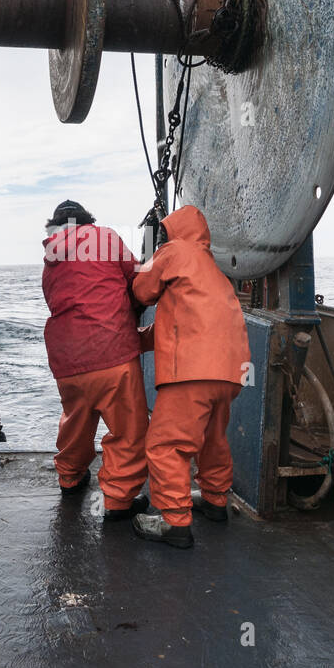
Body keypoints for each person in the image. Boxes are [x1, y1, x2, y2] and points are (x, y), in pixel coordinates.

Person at [130, 205, 250, 548]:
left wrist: (149, 257)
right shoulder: (212, 269)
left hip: (192, 374)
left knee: (167, 445)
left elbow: (141, 289)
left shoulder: (175, 251)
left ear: (172, 231)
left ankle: (174, 522)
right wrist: (139, 340)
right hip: (230, 372)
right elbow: (188, 324)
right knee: (213, 439)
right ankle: (214, 500)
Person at [42, 200, 150, 520]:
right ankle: (118, 502)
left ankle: (70, 479)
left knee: (76, 420)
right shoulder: (104, 237)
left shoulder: (51, 257)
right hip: (112, 353)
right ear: (88, 221)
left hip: (67, 359)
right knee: (127, 432)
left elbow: (58, 301)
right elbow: (138, 281)